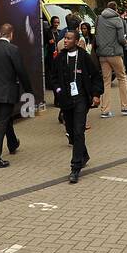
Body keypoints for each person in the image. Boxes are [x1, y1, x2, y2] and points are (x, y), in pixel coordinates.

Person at [50, 29, 102, 184]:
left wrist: (96, 94)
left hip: (81, 100)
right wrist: (58, 91)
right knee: (71, 132)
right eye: (65, 38)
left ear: (76, 41)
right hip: (66, 100)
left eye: (69, 38)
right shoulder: (60, 58)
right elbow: (53, 78)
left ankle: (75, 167)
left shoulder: (84, 57)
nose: (65, 41)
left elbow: (96, 75)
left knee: (79, 131)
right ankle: (84, 155)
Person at [0, 23, 33, 168]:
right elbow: (21, 71)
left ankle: (12, 143)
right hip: (8, 91)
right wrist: (29, 90)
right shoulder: (13, 49)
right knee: (3, 121)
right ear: (11, 34)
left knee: (5, 117)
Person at [95, 1, 127, 118]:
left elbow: (96, 34)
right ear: (116, 9)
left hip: (102, 54)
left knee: (106, 81)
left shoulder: (99, 18)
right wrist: (126, 42)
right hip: (115, 54)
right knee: (122, 78)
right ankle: (125, 107)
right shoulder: (118, 20)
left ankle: (105, 110)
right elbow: (121, 39)